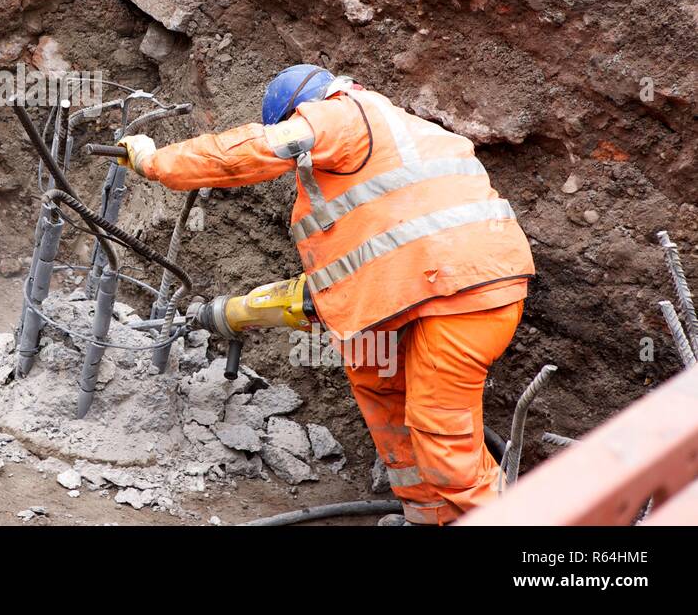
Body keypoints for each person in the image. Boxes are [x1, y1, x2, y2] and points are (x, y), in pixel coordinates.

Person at [118, 64, 535, 524]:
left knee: (440, 432)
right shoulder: (396, 145)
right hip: (417, 292)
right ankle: (430, 517)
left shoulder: (346, 115)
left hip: (460, 294)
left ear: (304, 108)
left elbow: (254, 149)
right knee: (375, 381)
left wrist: (155, 162)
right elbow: (371, 252)